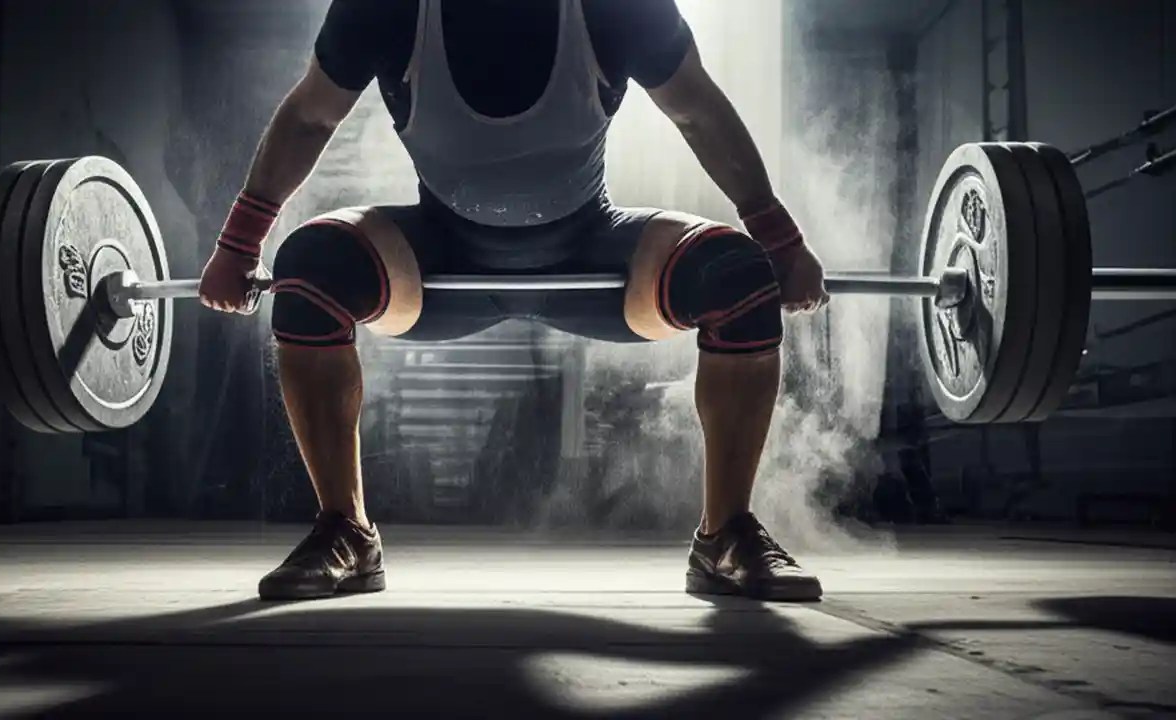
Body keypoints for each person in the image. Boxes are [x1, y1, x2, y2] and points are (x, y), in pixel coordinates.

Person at [198, 0, 830, 602]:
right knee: (311, 268)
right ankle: (346, 530)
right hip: (439, 255)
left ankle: (724, 537)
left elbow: (696, 110)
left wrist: (780, 241)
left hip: (590, 249)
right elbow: (312, 115)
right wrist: (239, 244)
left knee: (738, 276)